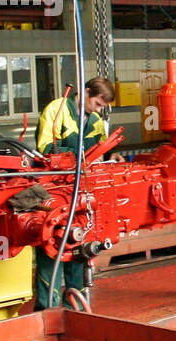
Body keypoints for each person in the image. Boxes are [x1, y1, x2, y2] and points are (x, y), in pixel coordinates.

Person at [33, 77, 115, 310]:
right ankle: (45, 309)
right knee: (51, 251)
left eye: (102, 106)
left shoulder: (96, 121)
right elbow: (45, 148)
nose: (99, 110)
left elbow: (99, 152)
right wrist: (80, 154)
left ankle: (75, 308)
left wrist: (108, 159)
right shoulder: (57, 110)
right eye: (97, 103)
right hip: (54, 188)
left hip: (81, 191)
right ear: (86, 92)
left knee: (79, 248)